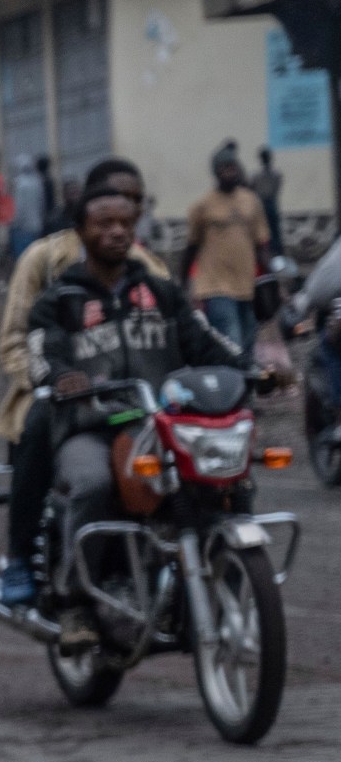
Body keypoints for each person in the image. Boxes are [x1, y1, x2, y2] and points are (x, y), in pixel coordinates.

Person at [28, 185, 244, 647]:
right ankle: (74, 604)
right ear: (82, 230)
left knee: (227, 477)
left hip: (160, 424)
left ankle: (226, 581)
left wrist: (255, 370)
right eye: (104, 223)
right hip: (91, 427)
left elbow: (207, 344)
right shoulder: (60, 299)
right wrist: (63, 377)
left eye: (125, 223)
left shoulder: (162, 292)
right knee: (94, 485)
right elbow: (41, 356)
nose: (117, 232)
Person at [0, 158, 168, 605]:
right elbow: (15, 340)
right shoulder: (44, 260)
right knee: (39, 428)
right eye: (113, 203)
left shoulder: (150, 269)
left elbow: (176, 336)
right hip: (55, 397)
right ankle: (18, 556)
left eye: (133, 204)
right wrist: (49, 382)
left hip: (132, 405)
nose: (122, 215)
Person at [182, 141, 271, 365]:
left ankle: (246, 395)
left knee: (248, 343)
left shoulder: (251, 202)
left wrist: (271, 281)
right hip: (216, 287)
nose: (229, 172)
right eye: (223, 169)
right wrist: (184, 284)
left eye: (232, 167)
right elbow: (191, 247)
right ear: (215, 173)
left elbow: (262, 244)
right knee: (231, 344)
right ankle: (235, 396)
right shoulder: (203, 206)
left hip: (247, 286)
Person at [9, 155, 46, 262]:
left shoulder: (19, 184)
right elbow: (41, 204)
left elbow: (19, 208)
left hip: (23, 228)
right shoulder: (37, 182)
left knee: (23, 259)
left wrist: (15, 223)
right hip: (37, 226)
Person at [252, 145, 284, 256]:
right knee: (270, 230)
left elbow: (254, 188)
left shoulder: (256, 175)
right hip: (268, 203)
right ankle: (274, 252)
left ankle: (273, 253)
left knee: (270, 230)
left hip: (267, 203)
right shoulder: (276, 174)